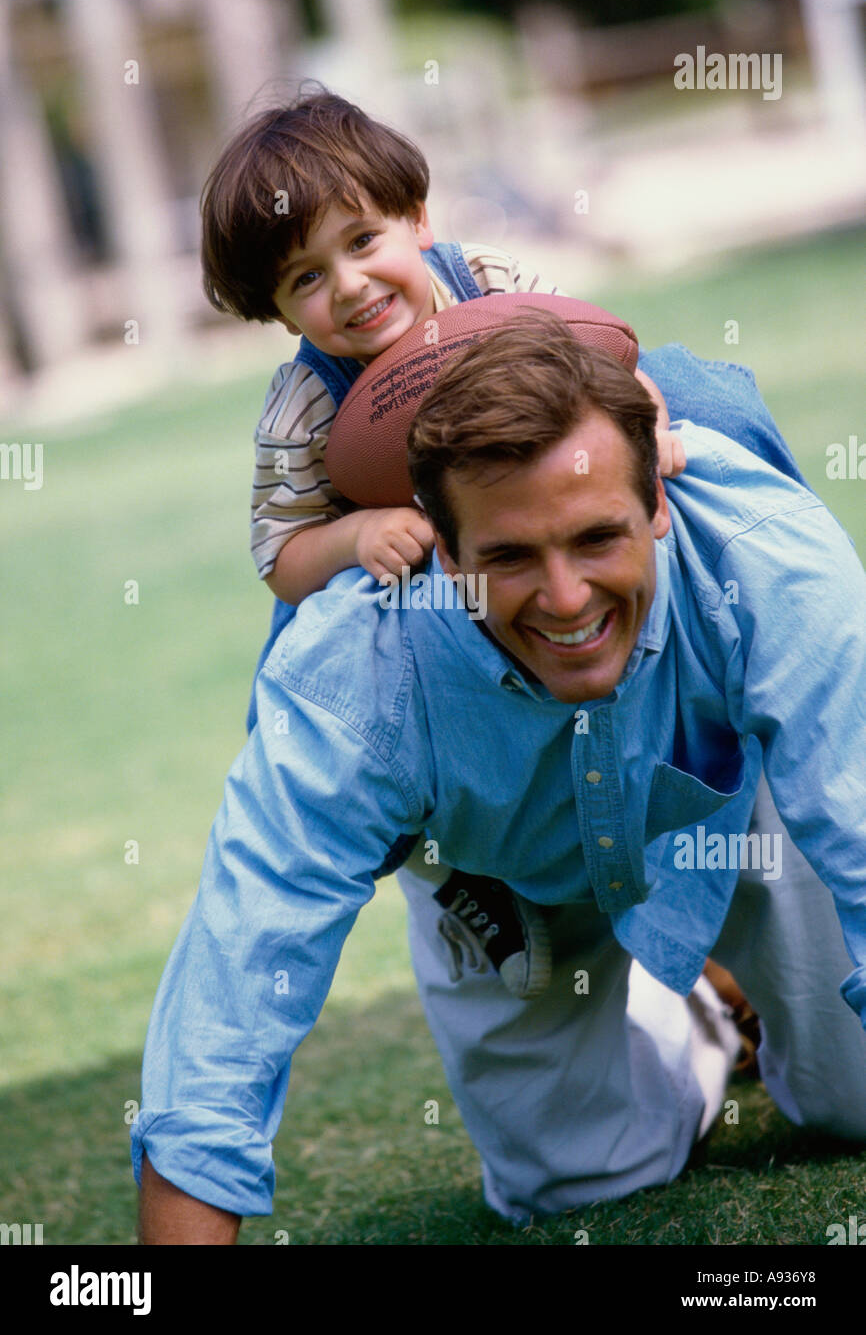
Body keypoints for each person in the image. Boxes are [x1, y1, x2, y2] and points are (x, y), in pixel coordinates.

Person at [133, 312, 866, 1242]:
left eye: (599, 538)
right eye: (511, 557)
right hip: (499, 867)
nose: (565, 599)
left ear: (659, 505)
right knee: (578, 1180)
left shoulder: (768, 556)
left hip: (729, 810)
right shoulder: (355, 674)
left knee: (859, 1102)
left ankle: (732, 961)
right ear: (444, 552)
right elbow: (235, 982)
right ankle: (703, 1022)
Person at [199, 85, 682, 996]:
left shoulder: (487, 285)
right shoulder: (304, 402)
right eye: (305, 278)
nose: (348, 285)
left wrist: (650, 422)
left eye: (362, 241)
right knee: (298, 689)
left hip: (524, 553)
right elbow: (281, 562)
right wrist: (355, 532)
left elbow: (612, 363)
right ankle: (443, 868)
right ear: (278, 308)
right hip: (412, 592)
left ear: (417, 219)